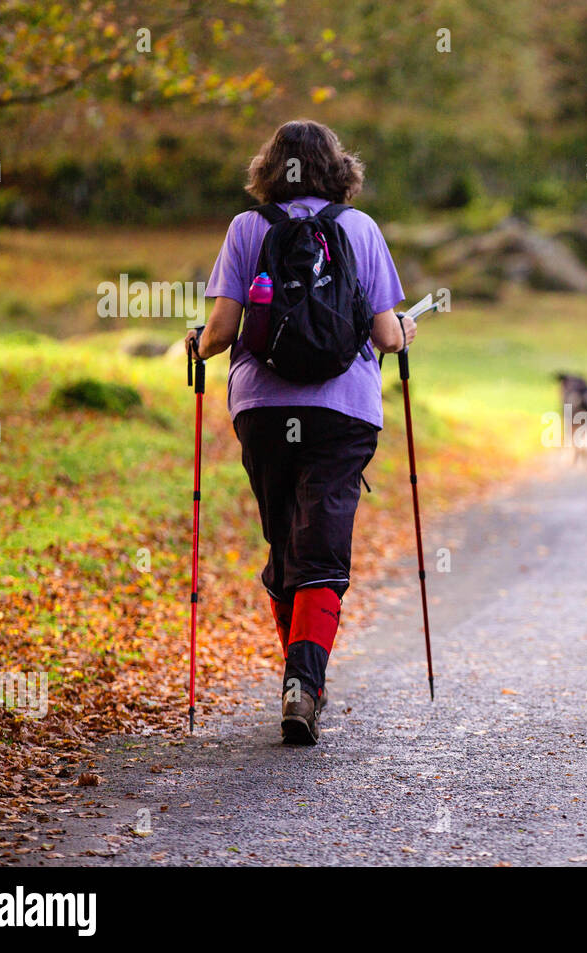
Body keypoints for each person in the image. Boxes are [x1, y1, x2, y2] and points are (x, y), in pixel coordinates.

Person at [186, 119, 416, 744]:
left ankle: (297, 674)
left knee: (284, 544)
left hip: (263, 408)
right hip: (343, 413)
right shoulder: (359, 229)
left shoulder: (246, 228)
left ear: (269, 167)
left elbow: (222, 332)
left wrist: (194, 346)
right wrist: (406, 333)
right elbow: (388, 334)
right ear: (338, 168)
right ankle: (304, 684)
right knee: (323, 548)